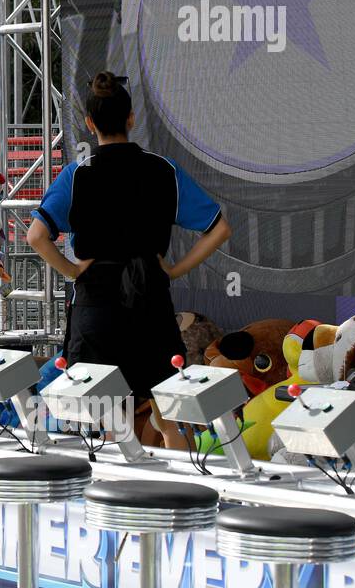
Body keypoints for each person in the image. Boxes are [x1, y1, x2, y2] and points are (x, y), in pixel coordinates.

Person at [26, 72, 232, 451]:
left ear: (89, 124)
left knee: (111, 429)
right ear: (131, 119)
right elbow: (219, 229)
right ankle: (182, 500)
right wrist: (175, 269)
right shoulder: (162, 170)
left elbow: (36, 236)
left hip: (96, 308)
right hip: (149, 303)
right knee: (171, 421)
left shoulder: (77, 175)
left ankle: (114, 508)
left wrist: (73, 271)